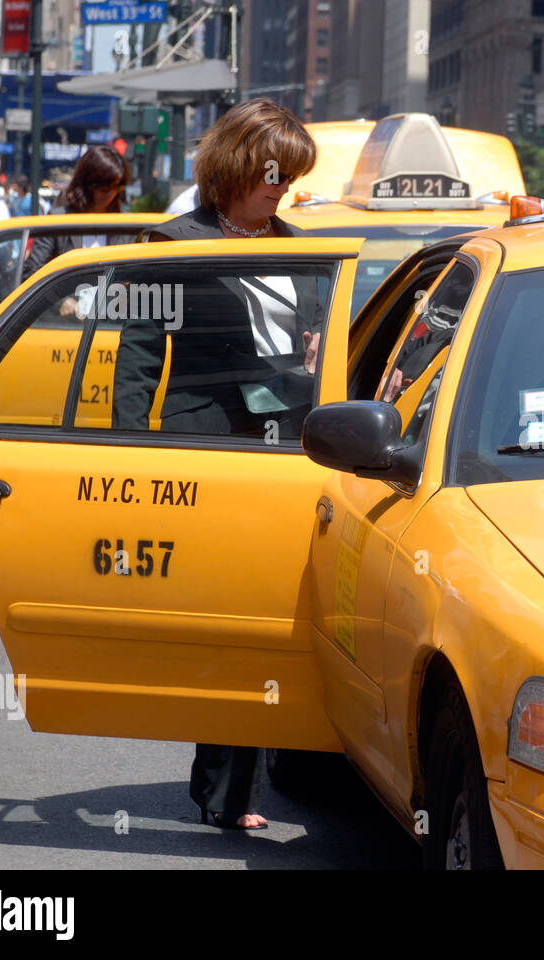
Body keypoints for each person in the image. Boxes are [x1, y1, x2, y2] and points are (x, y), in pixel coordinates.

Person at [111, 98, 318, 831]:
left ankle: (266, 776)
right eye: (273, 173)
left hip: (289, 454)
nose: (280, 188)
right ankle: (227, 795)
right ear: (234, 166)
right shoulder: (172, 244)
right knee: (235, 628)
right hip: (209, 456)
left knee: (282, 625)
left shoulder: (303, 249)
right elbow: (136, 361)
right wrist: (131, 461)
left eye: (290, 178)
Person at [22, 145, 130, 279]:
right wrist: (62, 300)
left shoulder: (127, 225)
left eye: (116, 187)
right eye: (104, 187)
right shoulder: (59, 220)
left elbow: (136, 276)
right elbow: (32, 271)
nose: (110, 194)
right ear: (86, 183)